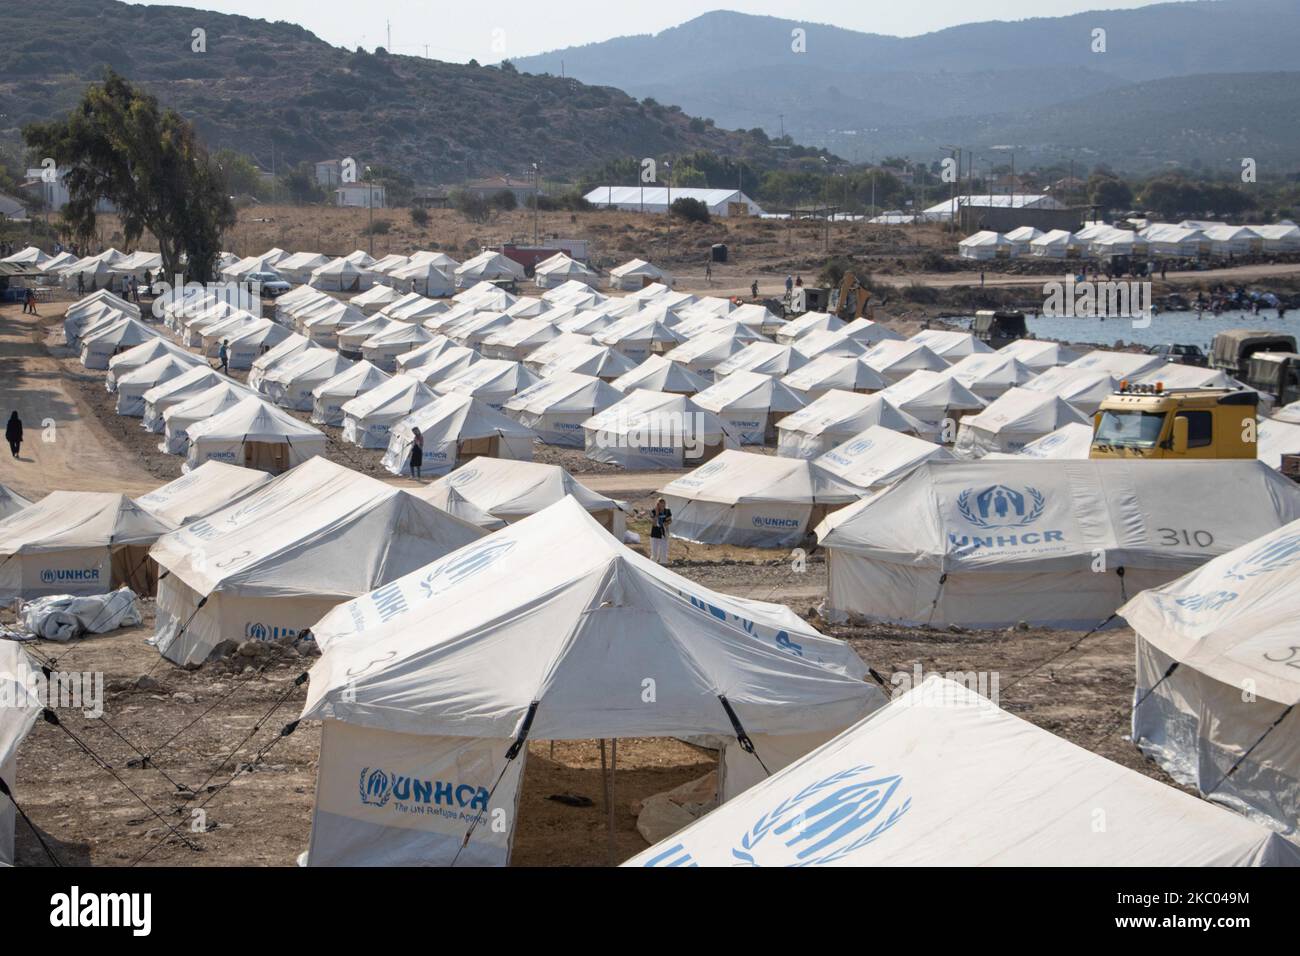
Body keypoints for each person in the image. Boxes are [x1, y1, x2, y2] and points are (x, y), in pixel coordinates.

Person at [649, 498, 672, 564]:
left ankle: (663, 563)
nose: (663, 506)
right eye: (661, 505)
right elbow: (654, 524)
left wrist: (666, 523)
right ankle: (653, 564)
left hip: (664, 533)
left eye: (664, 505)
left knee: (664, 551)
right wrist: (656, 514)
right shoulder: (653, 511)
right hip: (655, 533)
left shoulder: (667, 511)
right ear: (658, 505)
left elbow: (670, 520)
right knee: (654, 552)